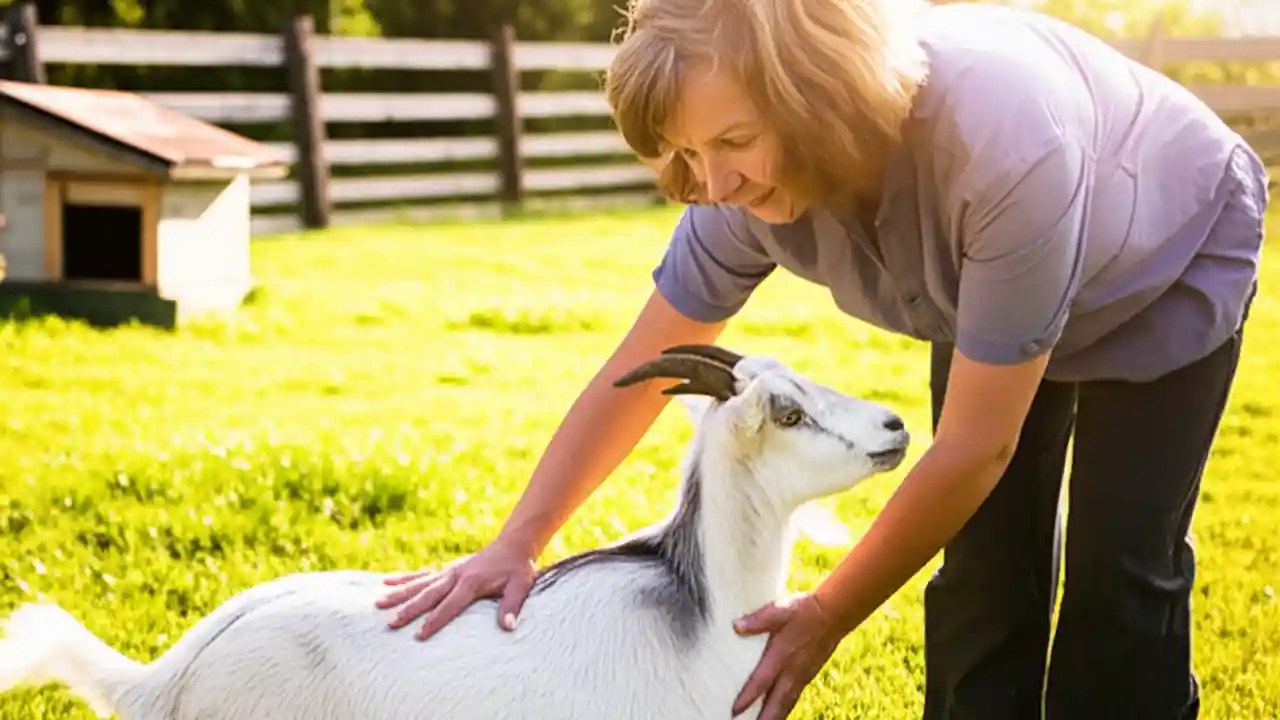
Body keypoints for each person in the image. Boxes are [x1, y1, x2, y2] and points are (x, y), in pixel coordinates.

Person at [376, 0, 1268, 717]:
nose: (713, 185)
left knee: (1122, 577)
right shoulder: (734, 190)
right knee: (983, 573)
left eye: (731, 143)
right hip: (997, 280)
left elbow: (973, 448)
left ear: (818, 94)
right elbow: (647, 359)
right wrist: (520, 539)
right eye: (687, 152)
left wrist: (828, 613)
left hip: (1165, 255)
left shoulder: (1004, 142)